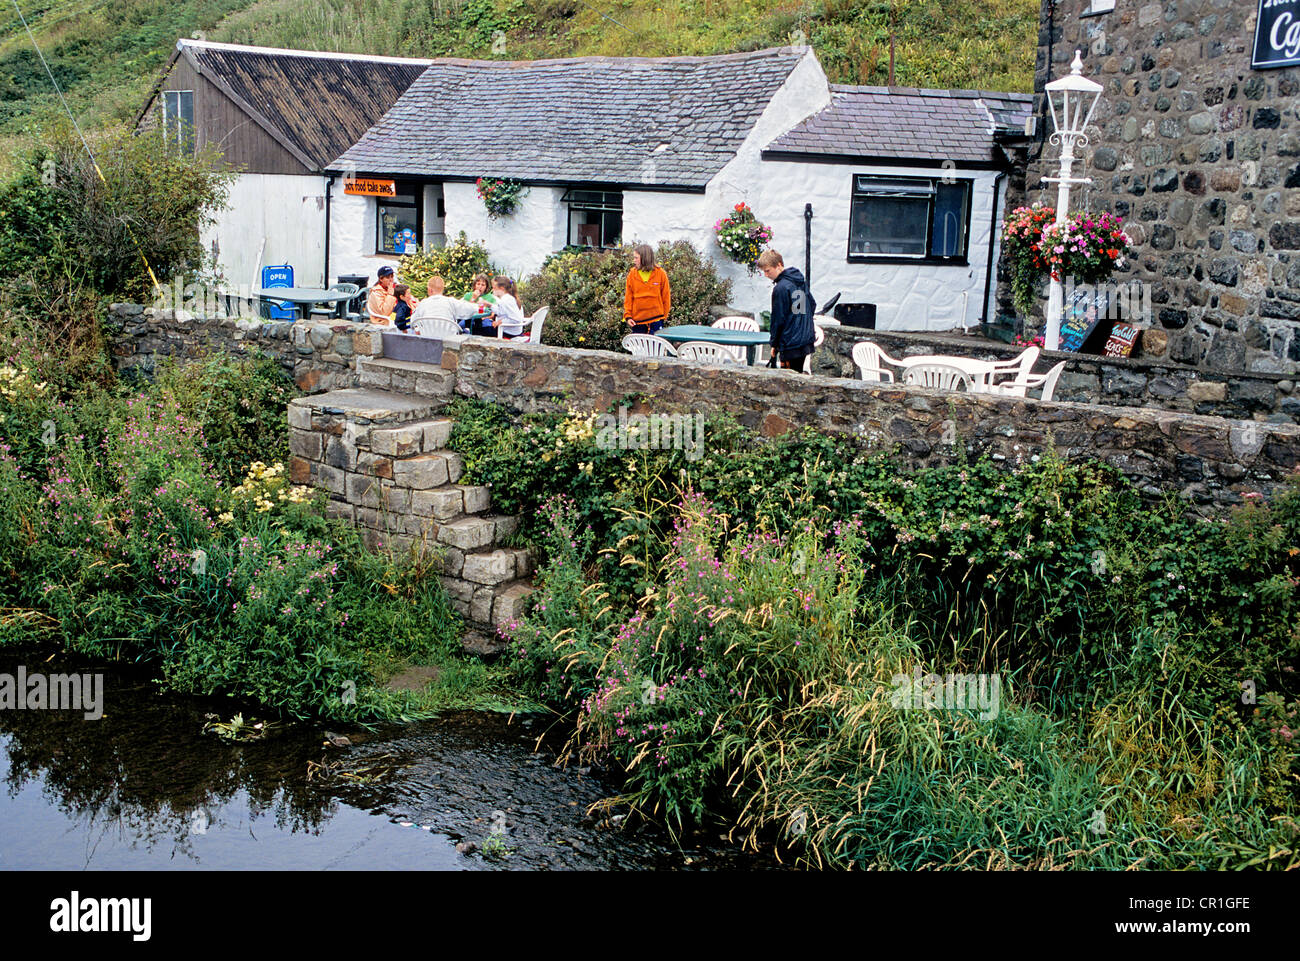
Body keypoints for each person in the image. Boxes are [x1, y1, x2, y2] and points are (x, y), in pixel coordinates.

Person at [757, 249, 816, 372]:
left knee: (789, 381)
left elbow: (779, 319)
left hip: (791, 342)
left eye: (768, 271)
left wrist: (774, 344)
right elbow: (811, 304)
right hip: (805, 339)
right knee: (798, 374)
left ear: (778, 265)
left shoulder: (781, 288)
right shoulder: (799, 281)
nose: (766, 275)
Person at [623, 244, 671, 335]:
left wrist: (663, 317)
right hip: (637, 321)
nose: (634, 260)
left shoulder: (660, 273)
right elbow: (628, 298)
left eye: (636, 258)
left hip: (656, 319)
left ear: (645, 258)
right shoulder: (632, 274)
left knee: (655, 348)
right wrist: (628, 316)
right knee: (639, 348)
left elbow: (666, 296)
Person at [411, 275, 480, 335]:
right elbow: (471, 309)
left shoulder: (423, 303)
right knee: (467, 332)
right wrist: (482, 307)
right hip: (449, 341)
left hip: (428, 342)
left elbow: (413, 322)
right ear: (443, 288)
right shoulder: (451, 302)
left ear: (430, 290)